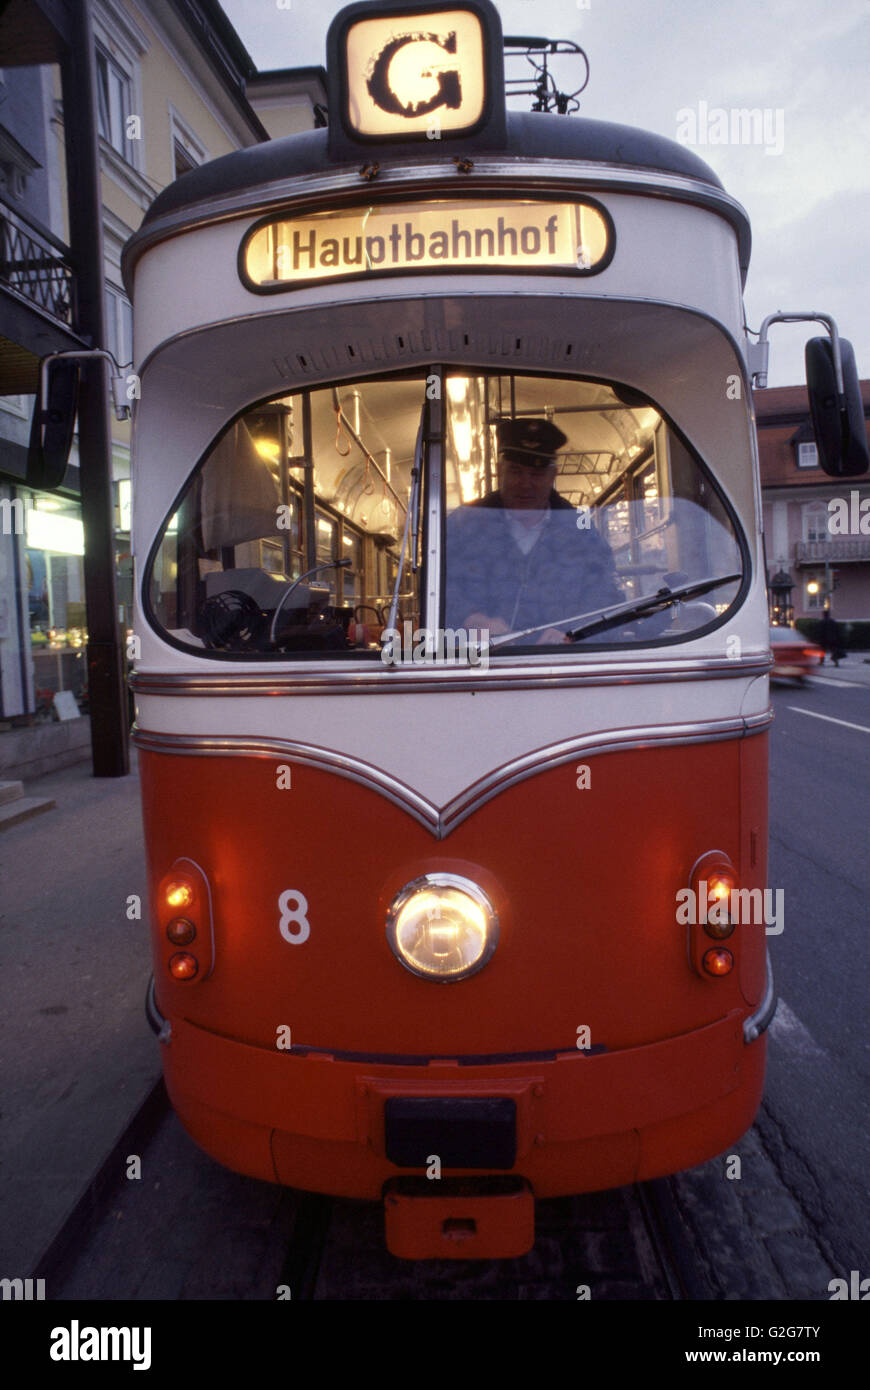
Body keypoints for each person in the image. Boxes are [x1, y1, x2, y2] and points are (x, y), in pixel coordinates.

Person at [445, 417, 625, 646]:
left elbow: (607, 596)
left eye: (536, 474)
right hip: (479, 664)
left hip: (560, 667)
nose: (525, 484)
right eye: (516, 471)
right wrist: (469, 617)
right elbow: (438, 586)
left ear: (553, 476)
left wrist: (574, 633)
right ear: (500, 471)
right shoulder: (464, 524)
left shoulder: (579, 529)